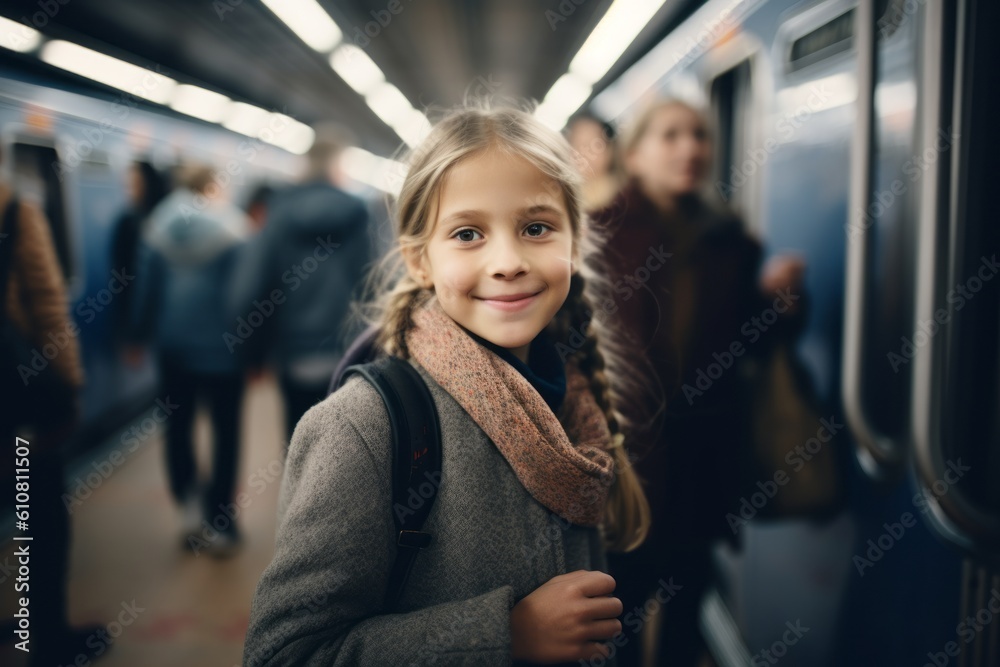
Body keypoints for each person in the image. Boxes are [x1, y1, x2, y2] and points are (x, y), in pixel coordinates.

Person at [243, 106, 651, 666]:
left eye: (536, 228)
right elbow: (285, 654)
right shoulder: (364, 427)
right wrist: (508, 634)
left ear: (574, 243)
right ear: (419, 260)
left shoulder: (575, 398)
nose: (507, 261)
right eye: (467, 233)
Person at [594, 99, 806, 667]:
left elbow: (750, 346)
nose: (691, 148)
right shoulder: (596, 237)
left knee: (687, 601)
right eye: (670, 135)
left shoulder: (730, 241)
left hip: (703, 458)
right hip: (625, 459)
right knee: (620, 611)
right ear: (634, 154)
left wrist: (781, 308)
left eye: (700, 135)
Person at [0, 173, 102, 665]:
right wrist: (69, 388)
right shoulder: (14, 210)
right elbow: (47, 305)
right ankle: (47, 641)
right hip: (17, 406)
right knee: (40, 518)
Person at [131, 164, 251, 557]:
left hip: (173, 346)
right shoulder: (232, 227)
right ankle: (221, 521)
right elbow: (243, 293)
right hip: (224, 349)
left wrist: (137, 334)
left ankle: (188, 506)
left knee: (177, 426)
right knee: (225, 432)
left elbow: (144, 288)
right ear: (212, 186)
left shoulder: (157, 225)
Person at [230, 125, 373, 443]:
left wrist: (252, 354)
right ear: (337, 165)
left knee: (298, 438)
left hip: (292, 352)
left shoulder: (279, 212)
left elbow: (251, 286)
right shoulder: (357, 213)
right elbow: (371, 284)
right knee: (344, 441)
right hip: (344, 350)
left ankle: (301, 490)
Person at [109, 160, 169, 341]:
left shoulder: (156, 219)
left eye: (135, 183)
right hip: (143, 314)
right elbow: (120, 273)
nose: (130, 189)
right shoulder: (128, 221)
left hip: (157, 314)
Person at [566, 112, 623, 213]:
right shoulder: (568, 205)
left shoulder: (625, 196)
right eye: (577, 145)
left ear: (609, 149)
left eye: (593, 146)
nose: (583, 154)